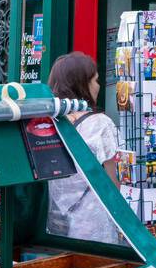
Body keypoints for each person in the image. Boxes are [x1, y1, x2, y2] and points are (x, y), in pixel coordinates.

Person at [46, 51, 124, 245]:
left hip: (55, 225)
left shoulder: (48, 124)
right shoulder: (100, 124)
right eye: (96, 80)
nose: (98, 86)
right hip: (95, 225)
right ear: (83, 84)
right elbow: (114, 182)